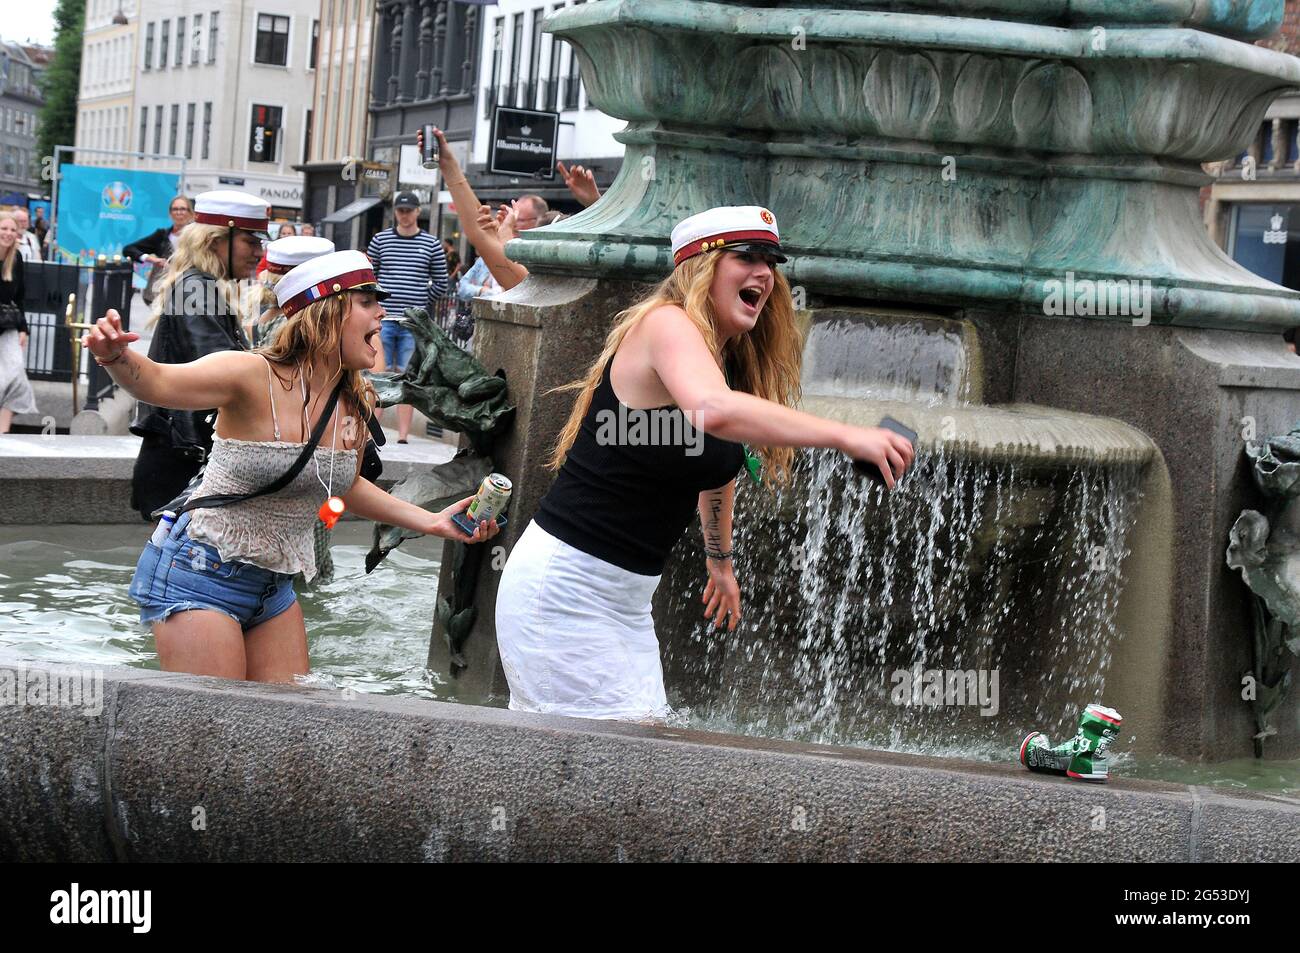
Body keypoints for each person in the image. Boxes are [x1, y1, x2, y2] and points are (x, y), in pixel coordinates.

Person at [494, 206, 915, 722]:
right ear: (700, 266)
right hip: (566, 591)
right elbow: (713, 414)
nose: (764, 273)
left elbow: (716, 468)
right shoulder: (665, 324)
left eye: (772, 261)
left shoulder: (721, 359)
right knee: (607, 767)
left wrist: (720, 561)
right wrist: (846, 436)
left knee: (628, 760)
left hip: (624, 602)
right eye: (748, 257)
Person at [83, 250, 501, 683]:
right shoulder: (250, 373)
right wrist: (115, 356)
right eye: (368, 302)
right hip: (199, 570)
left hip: (273, 586)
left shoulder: (357, 399)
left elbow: (345, 485)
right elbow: (157, 382)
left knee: (285, 725)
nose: (382, 314)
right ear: (328, 312)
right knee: (214, 729)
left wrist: (432, 522)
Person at [128, 190, 270, 520]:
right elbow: (224, 369)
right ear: (215, 241)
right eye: (251, 242)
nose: (259, 253)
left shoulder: (203, 287)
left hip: (182, 458)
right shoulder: (197, 289)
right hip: (181, 464)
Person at [366, 190, 449, 443]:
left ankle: (402, 435)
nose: (404, 215)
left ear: (417, 211)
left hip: (412, 322)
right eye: (400, 210)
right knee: (377, 375)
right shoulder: (380, 241)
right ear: (395, 212)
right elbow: (370, 278)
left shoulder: (431, 244)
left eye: (408, 210)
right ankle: (372, 430)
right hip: (384, 319)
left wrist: (420, 305)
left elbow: (441, 284)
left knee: (407, 378)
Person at [0, 212, 37, 433]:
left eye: (12, 230)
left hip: (8, 327)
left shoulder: (17, 259)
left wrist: (23, 328)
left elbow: (19, 296)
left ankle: (3, 434)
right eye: (4, 229)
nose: (8, 234)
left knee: (15, 378)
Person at [123, 195, 195, 267]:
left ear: (190, 213)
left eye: (183, 209)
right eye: (175, 209)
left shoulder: (197, 237)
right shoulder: (161, 235)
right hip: (163, 277)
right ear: (170, 213)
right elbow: (128, 249)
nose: (179, 212)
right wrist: (151, 259)